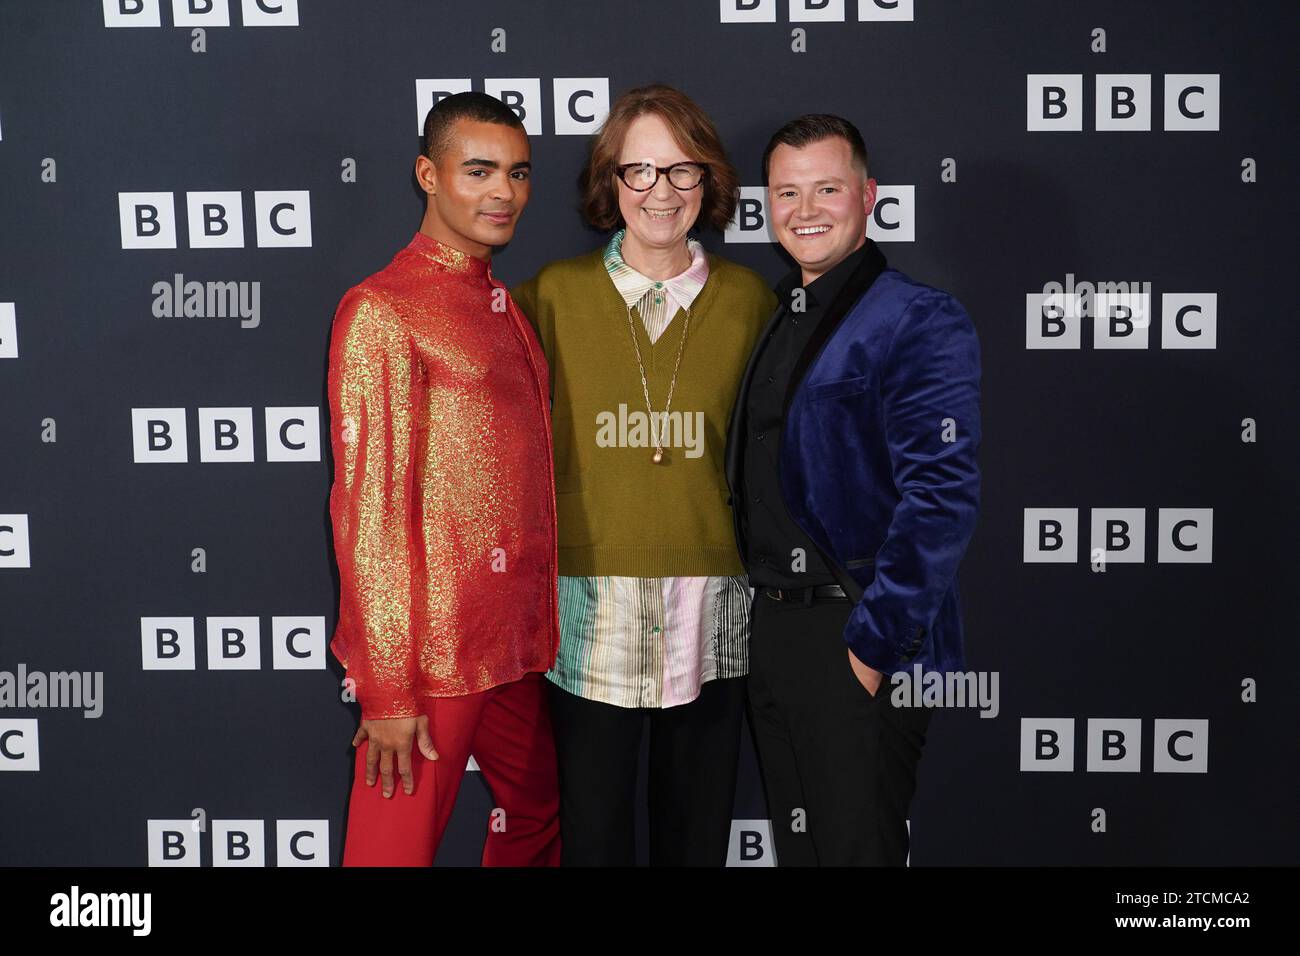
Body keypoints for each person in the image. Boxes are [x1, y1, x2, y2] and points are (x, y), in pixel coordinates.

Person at [511, 85, 776, 866]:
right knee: (593, 838)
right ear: (610, 182)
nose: (660, 192)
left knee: (695, 838)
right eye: (640, 171)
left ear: (709, 182)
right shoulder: (549, 297)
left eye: (681, 171)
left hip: (713, 607)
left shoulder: (749, 300)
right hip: (589, 609)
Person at [724, 114, 981, 866]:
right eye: (786, 192)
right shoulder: (782, 313)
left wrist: (871, 650)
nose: (805, 210)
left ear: (868, 196)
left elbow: (941, 498)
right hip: (774, 634)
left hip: (856, 638)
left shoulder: (918, 318)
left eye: (827, 188)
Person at [327, 91, 560, 866]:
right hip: (430, 656)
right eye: (481, 170)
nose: (505, 192)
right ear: (429, 174)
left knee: (544, 816)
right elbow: (371, 510)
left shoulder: (501, 304)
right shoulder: (383, 309)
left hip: (516, 648)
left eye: (519, 173)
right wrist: (387, 688)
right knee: (390, 852)